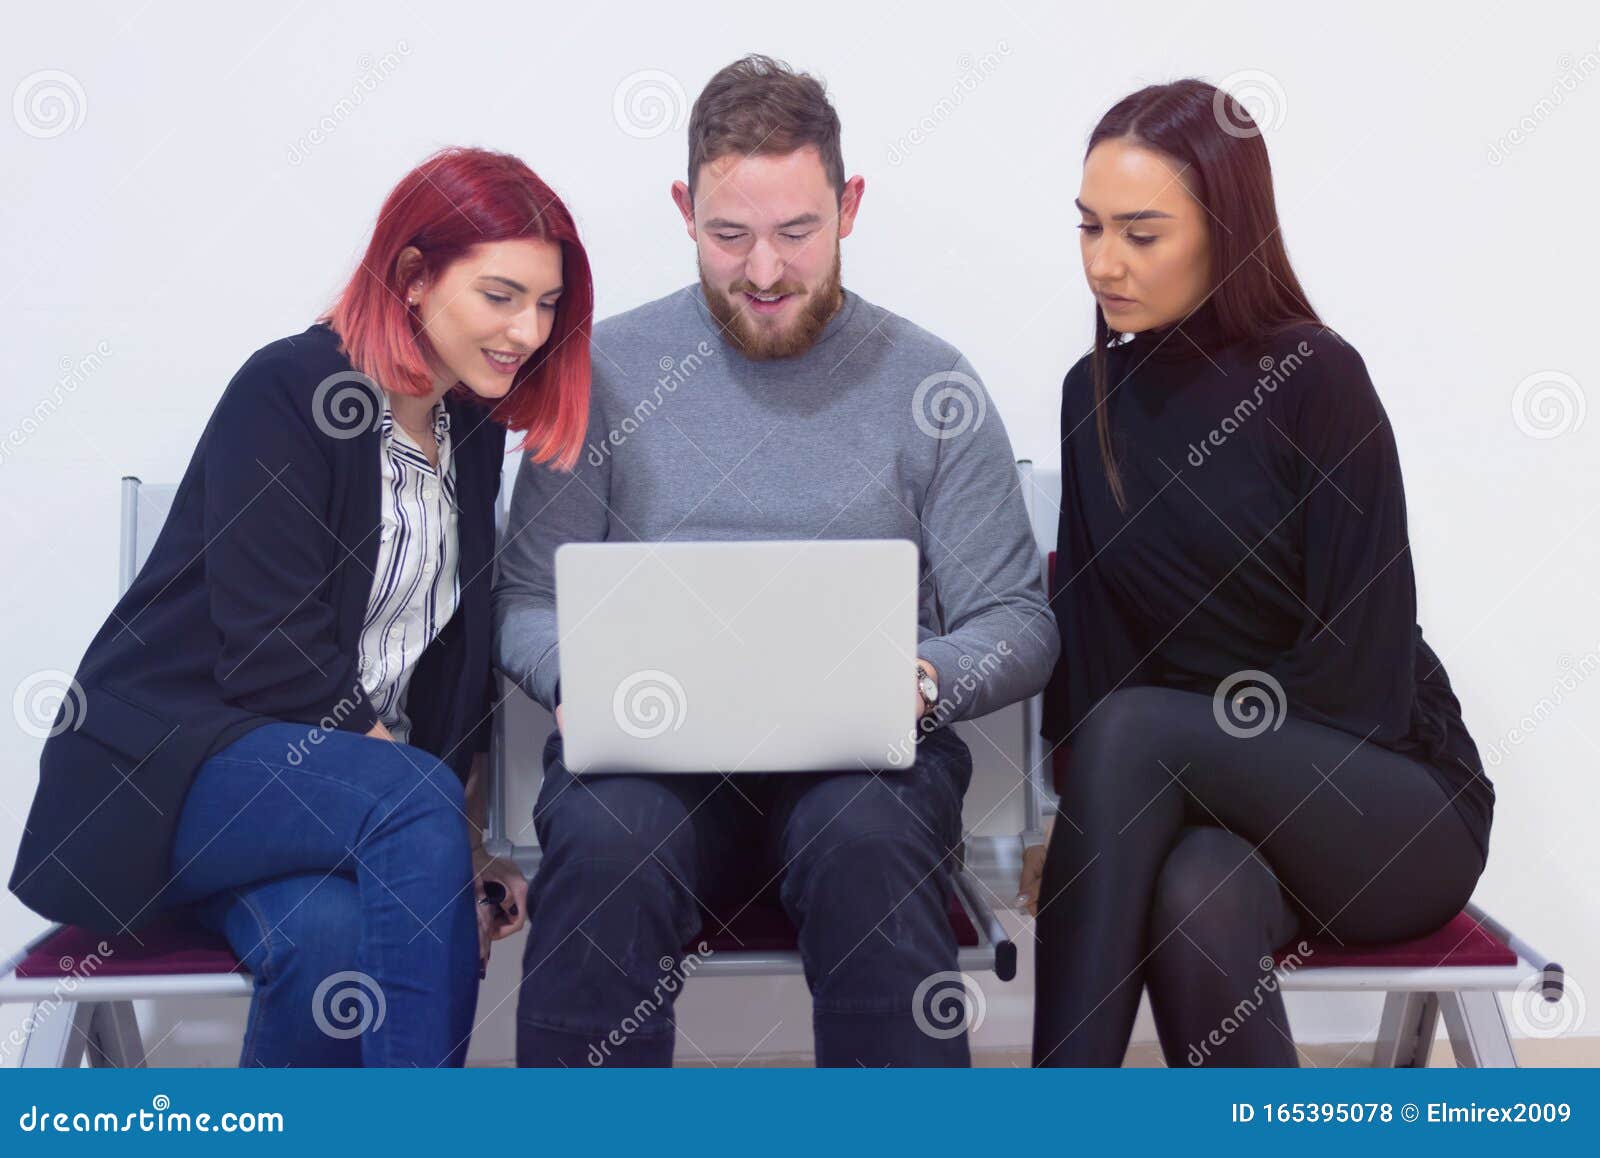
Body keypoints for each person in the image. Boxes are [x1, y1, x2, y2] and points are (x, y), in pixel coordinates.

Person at [494, 55, 1057, 1067]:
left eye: (797, 233)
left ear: (848, 206)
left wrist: (918, 679)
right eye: (729, 236)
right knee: (610, 842)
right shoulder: (601, 372)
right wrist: (580, 675)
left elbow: (1017, 620)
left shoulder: (932, 384)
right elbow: (526, 597)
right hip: (650, 768)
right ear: (683, 209)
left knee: (867, 840)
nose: (762, 272)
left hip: (860, 772)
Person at [9, 147, 594, 1067]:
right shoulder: (291, 388)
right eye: (501, 295)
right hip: (171, 778)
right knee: (412, 809)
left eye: (547, 303)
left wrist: (461, 849)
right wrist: (435, 835)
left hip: (335, 804)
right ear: (411, 275)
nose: (527, 329)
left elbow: (448, 669)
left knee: (328, 945)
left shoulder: (469, 429)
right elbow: (273, 657)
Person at [1021, 80, 1494, 1067]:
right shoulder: (1092, 394)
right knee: (1192, 893)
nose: (1103, 262)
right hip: (1216, 813)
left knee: (1141, 727)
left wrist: (1180, 761)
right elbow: (1097, 644)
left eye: (1140, 234)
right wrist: (1092, 828)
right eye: (1088, 227)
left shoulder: (1315, 378)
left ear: (1223, 230)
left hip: (1388, 803)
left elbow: (1363, 681)